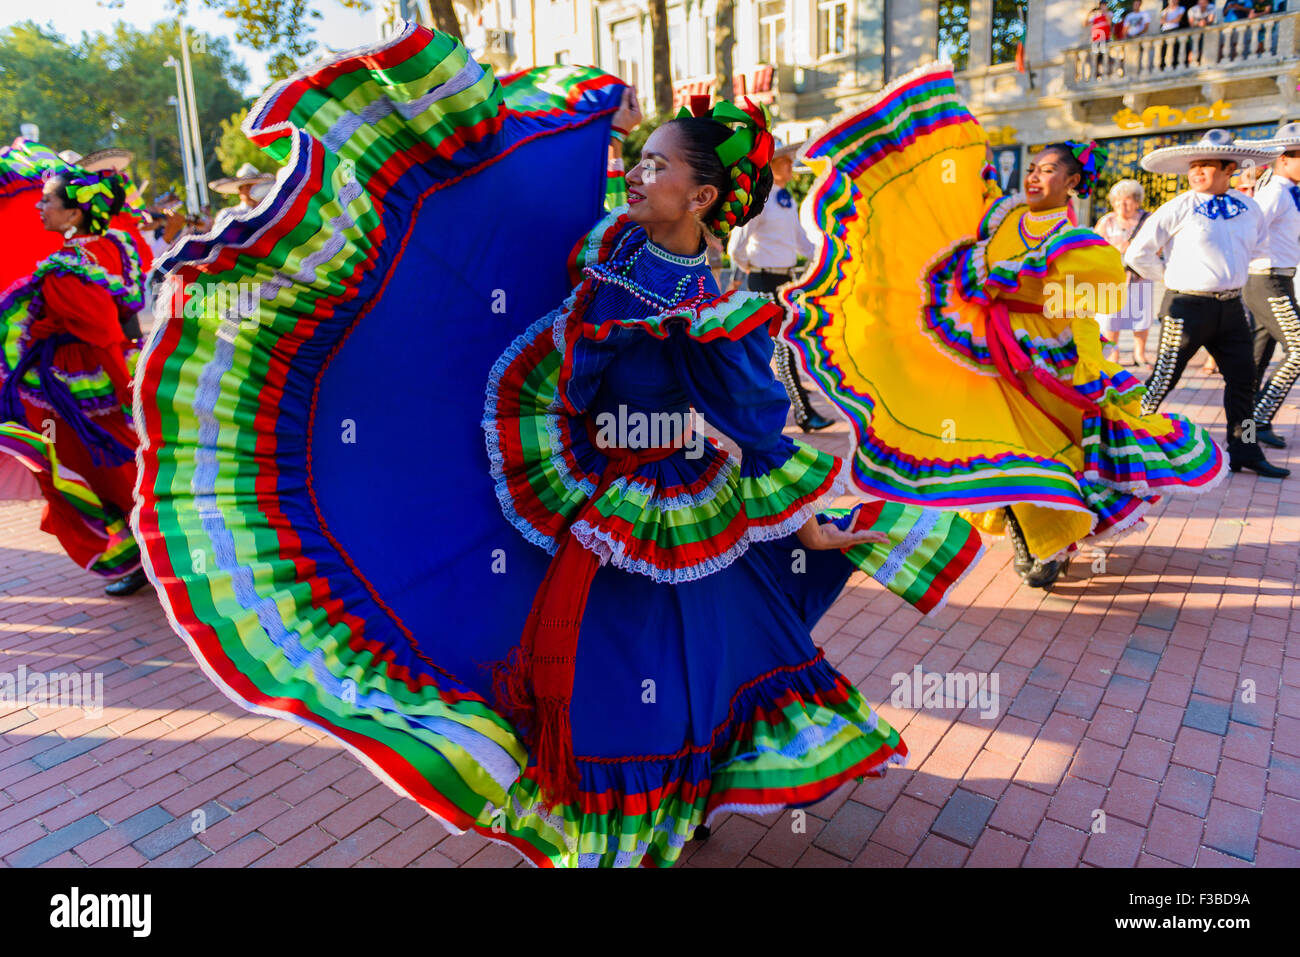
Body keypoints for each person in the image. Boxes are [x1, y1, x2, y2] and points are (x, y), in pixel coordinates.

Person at [131, 27, 986, 868]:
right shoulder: (610, 240)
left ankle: (657, 808)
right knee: (616, 657)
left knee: (660, 666)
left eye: (659, 166)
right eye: (638, 157)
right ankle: (658, 802)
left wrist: (808, 525)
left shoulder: (714, 305)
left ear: (702, 198)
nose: (638, 172)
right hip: (574, 464)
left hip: (663, 500)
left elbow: (759, 423)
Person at [784, 64, 1227, 591]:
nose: (1035, 176)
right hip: (984, 356)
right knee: (998, 447)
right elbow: (943, 227)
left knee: (1056, 451)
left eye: (1047, 169)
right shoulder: (999, 221)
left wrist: (1016, 289)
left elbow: (1090, 300)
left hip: (1053, 366)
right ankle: (1033, 538)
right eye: (1032, 168)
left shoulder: (1083, 241)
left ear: (1073, 182)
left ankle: (1058, 532)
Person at [0, 166, 148, 593]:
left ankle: (138, 552)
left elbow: (99, 325)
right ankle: (148, 547)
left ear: (75, 213)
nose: (39, 206)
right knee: (120, 459)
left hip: (80, 384)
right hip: (109, 372)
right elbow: (122, 321)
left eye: (48, 200)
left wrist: (45, 327)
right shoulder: (113, 247)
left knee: (96, 467)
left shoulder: (71, 263)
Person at [1125, 128, 1289, 478]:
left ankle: (1244, 448)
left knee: (1244, 382)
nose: (1197, 172)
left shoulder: (1249, 208)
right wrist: (1170, 277)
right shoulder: (1178, 206)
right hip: (1186, 307)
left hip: (1231, 309)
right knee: (1163, 378)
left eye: (1206, 165)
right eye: (1193, 166)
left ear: (1229, 169)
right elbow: (1138, 253)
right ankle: (1126, 444)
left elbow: (1258, 248)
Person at [726, 140, 833, 432]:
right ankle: (804, 413)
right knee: (782, 346)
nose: (789, 165)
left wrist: (825, 256)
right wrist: (753, 266)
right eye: (784, 161)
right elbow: (736, 245)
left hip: (785, 279)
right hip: (764, 279)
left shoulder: (786, 199)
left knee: (775, 347)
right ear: (770, 166)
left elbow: (800, 240)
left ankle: (772, 407)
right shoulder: (759, 200)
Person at [1242, 123, 1300, 450]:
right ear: (1283, 159)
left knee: (1257, 361)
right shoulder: (1276, 192)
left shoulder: (1290, 193)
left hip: (1280, 279)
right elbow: (1250, 229)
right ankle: (1259, 419)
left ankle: (1247, 434)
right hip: (1267, 280)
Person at [1094, 179, 1154, 367]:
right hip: (1113, 277)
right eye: (1118, 200)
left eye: (1127, 200)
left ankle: (1140, 354)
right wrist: (1113, 249)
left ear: (1137, 201)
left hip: (1140, 275)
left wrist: (1134, 248)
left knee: (1141, 316)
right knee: (1112, 317)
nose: (1122, 205)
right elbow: (1094, 246)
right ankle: (1113, 354)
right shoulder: (1107, 221)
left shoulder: (1147, 220)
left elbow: (1157, 245)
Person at [209, 162, 275, 210]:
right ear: (240, 190)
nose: (251, 190)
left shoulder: (269, 200)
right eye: (247, 186)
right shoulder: (235, 213)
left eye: (254, 186)